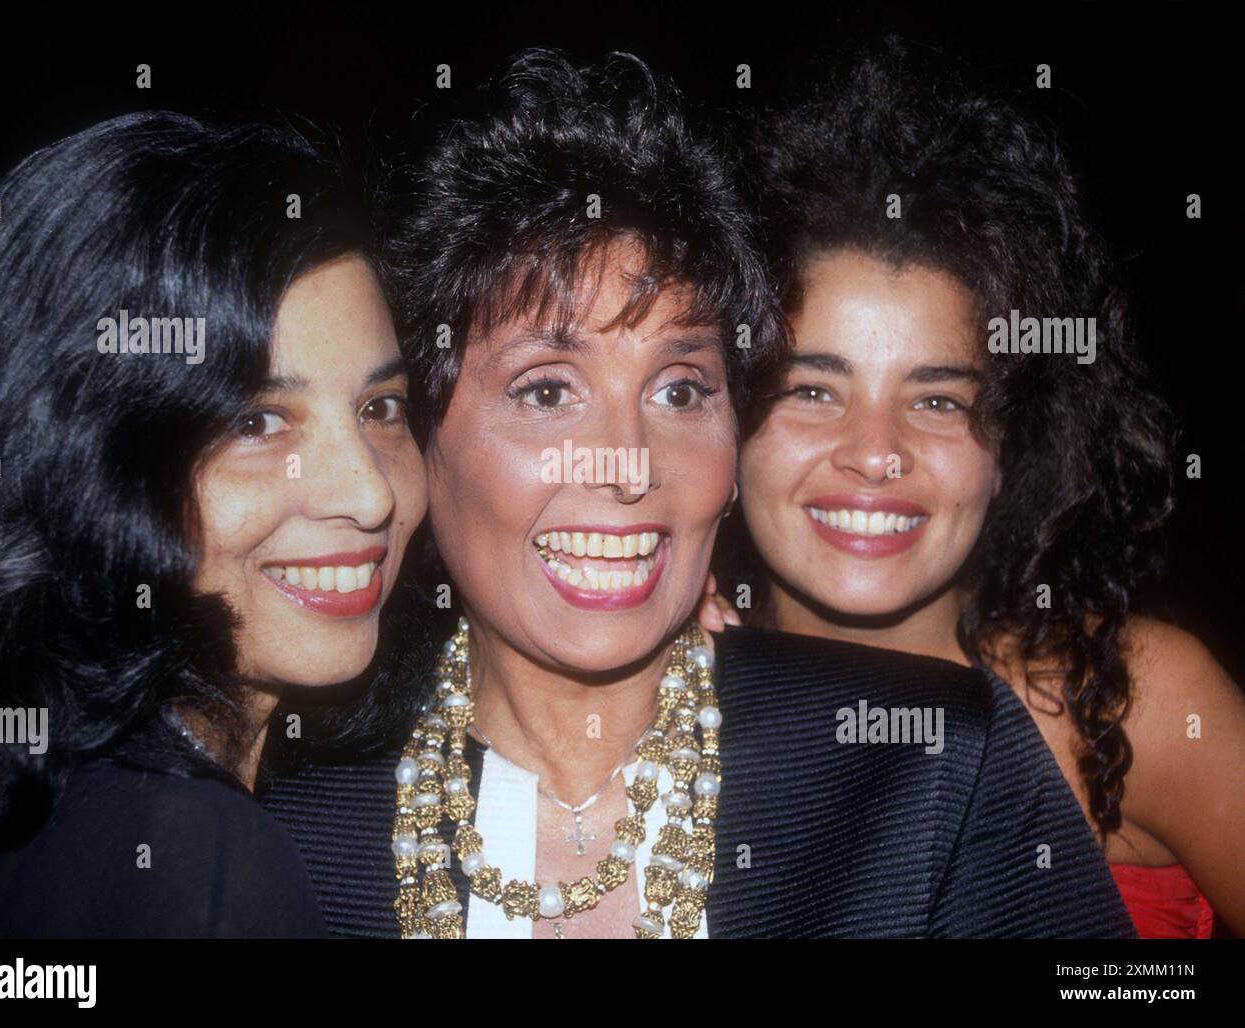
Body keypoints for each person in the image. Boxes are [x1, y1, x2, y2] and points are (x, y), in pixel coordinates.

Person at [263, 49, 1136, 939]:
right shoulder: (284, 822)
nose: (627, 464)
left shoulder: (930, 769)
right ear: (417, 443)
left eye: (679, 389)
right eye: (547, 390)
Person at [707, 38, 1245, 937]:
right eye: (811, 390)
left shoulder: (1131, 703)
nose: (875, 453)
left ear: (1008, 444)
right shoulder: (656, 705)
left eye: (939, 399)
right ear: (720, 418)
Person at [0, 112, 427, 937]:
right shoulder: (198, 865)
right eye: (254, 423)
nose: (370, 493)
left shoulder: (27, 803)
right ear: (82, 461)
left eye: (381, 408)